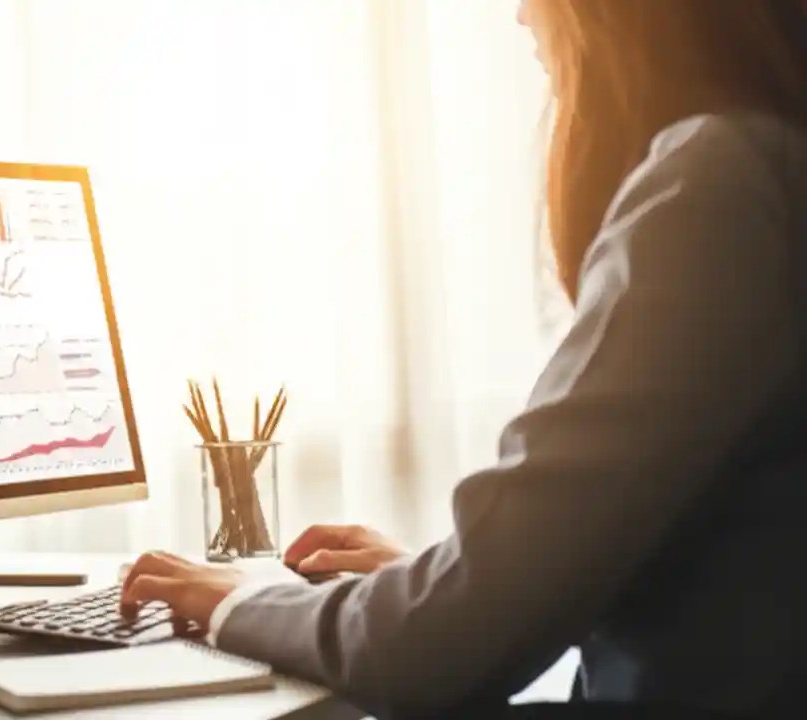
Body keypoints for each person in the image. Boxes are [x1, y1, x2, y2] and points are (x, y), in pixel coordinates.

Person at [119, 1, 807, 717]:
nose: (520, 14)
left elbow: (432, 655)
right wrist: (443, 586)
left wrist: (244, 603)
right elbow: (722, 582)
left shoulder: (724, 187)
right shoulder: (771, 164)